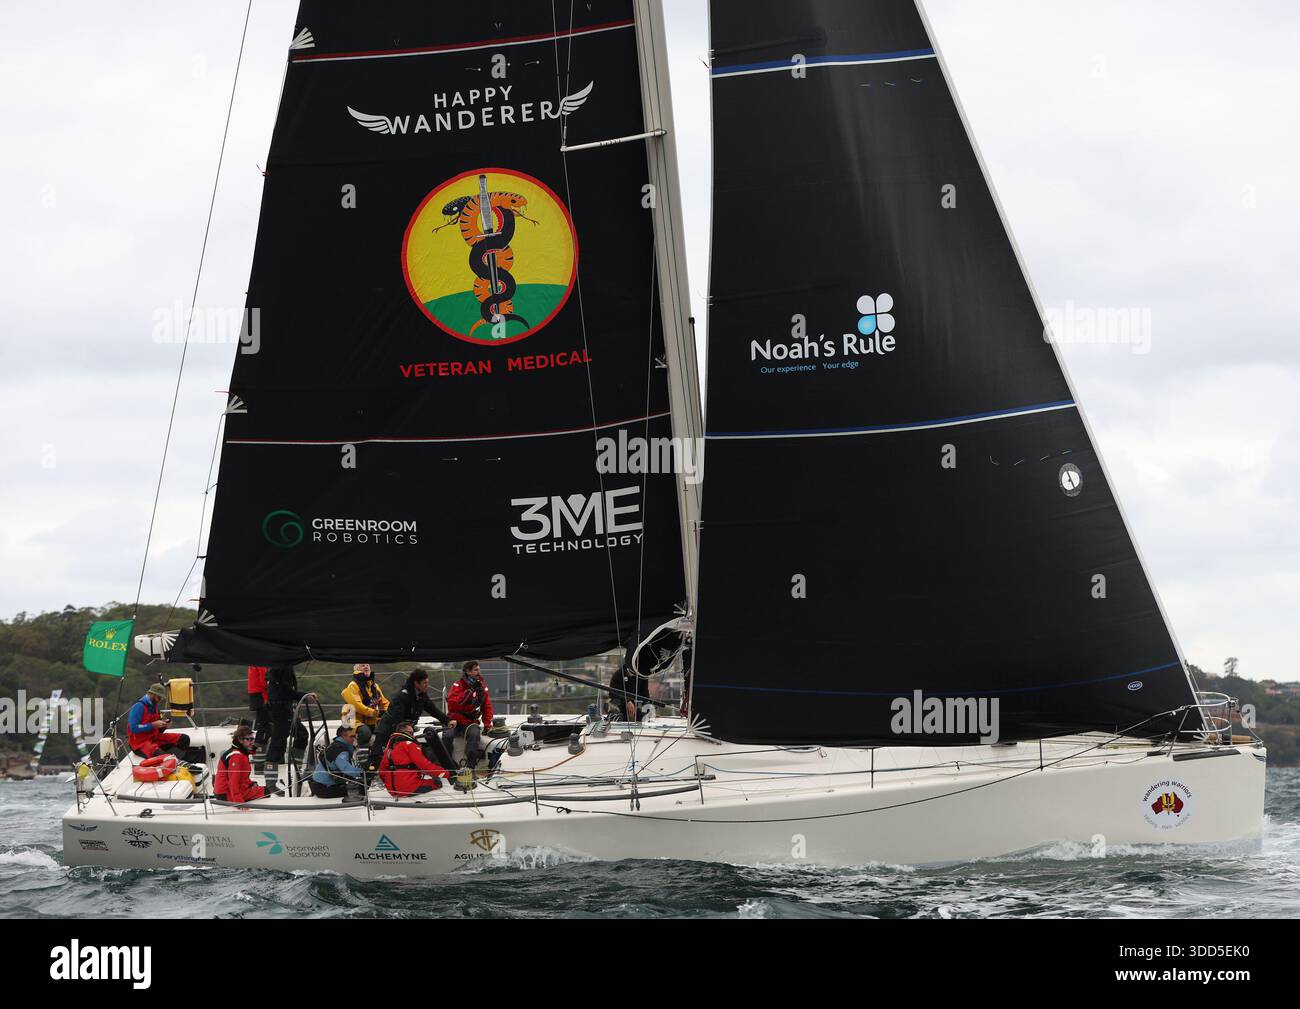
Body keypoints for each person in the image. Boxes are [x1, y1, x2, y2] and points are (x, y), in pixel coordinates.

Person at [372, 670, 450, 767]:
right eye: (424, 683)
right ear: (416, 683)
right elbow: (397, 716)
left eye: (427, 682)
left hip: (405, 731)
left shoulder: (422, 696)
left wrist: (448, 721)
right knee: (378, 757)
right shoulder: (401, 696)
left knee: (422, 752)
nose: (427, 685)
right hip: (388, 731)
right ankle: (369, 778)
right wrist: (405, 726)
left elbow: (433, 710)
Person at [377, 721, 450, 798]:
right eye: (411, 733)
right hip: (408, 788)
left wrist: (390, 783)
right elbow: (425, 766)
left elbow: (382, 770)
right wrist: (446, 773)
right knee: (436, 783)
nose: (413, 736)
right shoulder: (410, 745)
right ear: (406, 732)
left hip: (392, 790)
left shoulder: (389, 746)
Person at [265, 665, 314, 777]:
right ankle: (271, 782)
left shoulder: (280, 666)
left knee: (301, 734)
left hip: (282, 707)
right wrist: (304, 695)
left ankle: (295, 770)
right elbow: (284, 692)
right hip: (280, 708)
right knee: (278, 741)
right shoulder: (283, 667)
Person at [443, 661, 494, 767]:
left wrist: (487, 725)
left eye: (479, 670)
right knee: (447, 736)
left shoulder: (481, 687)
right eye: (476, 670)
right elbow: (453, 704)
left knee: (475, 735)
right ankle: (447, 765)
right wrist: (469, 691)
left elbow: (486, 707)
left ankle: (470, 767)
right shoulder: (458, 685)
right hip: (455, 720)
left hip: (470, 722)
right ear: (468, 671)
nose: (478, 672)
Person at [213, 725, 278, 803]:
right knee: (266, 792)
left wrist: (250, 784)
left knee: (260, 788)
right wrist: (239, 803)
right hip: (225, 794)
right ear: (240, 740)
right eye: (248, 739)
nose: (252, 742)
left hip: (228, 791)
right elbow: (233, 782)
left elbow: (242, 778)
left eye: (252, 739)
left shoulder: (241, 753)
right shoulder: (236, 756)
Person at [126, 683, 191, 758]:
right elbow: (133, 728)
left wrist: (164, 726)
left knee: (184, 739)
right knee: (163, 757)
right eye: (159, 697)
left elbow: (156, 728)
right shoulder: (138, 707)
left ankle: (182, 759)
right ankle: (174, 761)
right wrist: (153, 725)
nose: (160, 700)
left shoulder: (154, 706)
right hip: (140, 743)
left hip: (155, 738)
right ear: (152, 694)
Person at [340, 664, 388, 748]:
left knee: (387, 726)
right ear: (356, 669)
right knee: (365, 732)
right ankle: (361, 752)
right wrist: (376, 713)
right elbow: (358, 706)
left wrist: (388, 712)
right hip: (351, 720)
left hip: (369, 720)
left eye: (367, 665)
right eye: (362, 665)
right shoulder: (352, 686)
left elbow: (385, 703)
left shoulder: (375, 686)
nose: (366, 667)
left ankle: (381, 753)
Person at [309, 724, 362, 799]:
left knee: (353, 785)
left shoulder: (334, 746)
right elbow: (347, 769)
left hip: (318, 785)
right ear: (343, 737)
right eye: (352, 736)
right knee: (360, 789)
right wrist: (363, 772)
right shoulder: (341, 751)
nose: (354, 739)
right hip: (324, 788)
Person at [247, 665, 270, 749]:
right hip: (260, 694)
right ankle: (258, 749)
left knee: (262, 723)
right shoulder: (260, 661)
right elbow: (263, 679)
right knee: (265, 725)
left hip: (254, 693)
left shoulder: (253, 660)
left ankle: (258, 751)